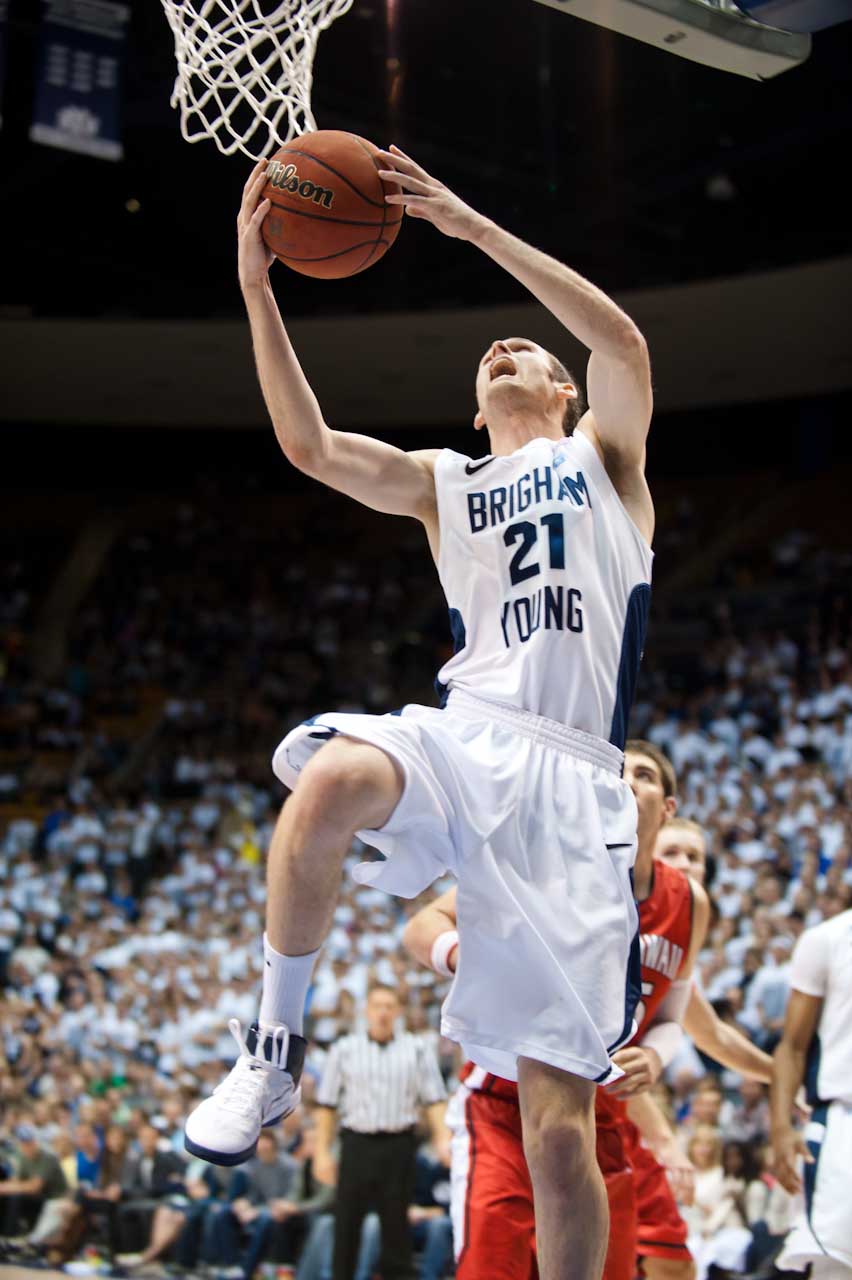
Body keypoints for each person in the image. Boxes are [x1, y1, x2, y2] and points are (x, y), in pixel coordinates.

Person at [185, 142, 657, 1280]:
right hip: (470, 733)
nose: (507, 346)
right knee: (332, 777)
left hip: (576, 779)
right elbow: (307, 446)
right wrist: (255, 286)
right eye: (492, 348)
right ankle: (274, 1044)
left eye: (532, 351)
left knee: (555, 1129)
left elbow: (625, 342)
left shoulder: (608, 460)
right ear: (475, 404)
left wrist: (468, 222)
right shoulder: (447, 482)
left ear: (563, 393)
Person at [403, 741, 774, 1280]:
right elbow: (421, 926)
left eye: (643, 774)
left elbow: (676, 1015)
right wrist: (466, 957)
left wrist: (657, 1055)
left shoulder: (689, 904)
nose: (626, 781)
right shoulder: (549, 866)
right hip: (503, 1103)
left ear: (667, 807)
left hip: (599, 1115)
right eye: (616, 771)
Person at [313, 985, 449, 1280]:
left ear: (398, 1011)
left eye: (389, 1006)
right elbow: (326, 1105)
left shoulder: (416, 1048)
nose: (383, 1012)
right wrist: (321, 1152)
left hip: (399, 1142)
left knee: (396, 1223)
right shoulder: (344, 1049)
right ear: (366, 1011)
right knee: (347, 1221)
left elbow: (435, 1099)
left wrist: (442, 1137)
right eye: (377, 1006)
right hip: (356, 1142)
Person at [770, 907, 852, 1280]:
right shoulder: (828, 939)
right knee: (835, 1269)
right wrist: (781, 1128)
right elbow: (792, 1047)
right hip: (843, 1122)